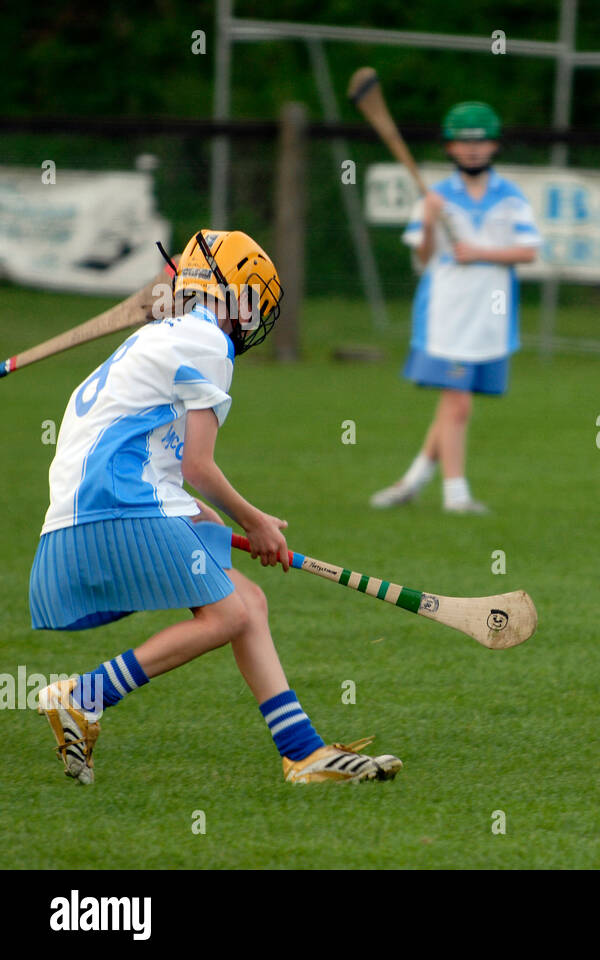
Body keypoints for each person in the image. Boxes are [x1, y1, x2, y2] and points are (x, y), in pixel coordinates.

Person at [31, 229, 402, 785]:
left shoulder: (165, 336)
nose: (256, 316)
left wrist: (207, 518)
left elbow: (152, 456)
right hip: (112, 509)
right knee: (227, 613)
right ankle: (83, 696)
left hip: (87, 514)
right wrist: (255, 521)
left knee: (246, 601)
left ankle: (302, 753)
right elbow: (197, 467)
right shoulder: (208, 344)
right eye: (255, 300)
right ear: (234, 297)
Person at [370, 100, 541, 514]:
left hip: (490, 317)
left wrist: (480, 252)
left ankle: (410, 483)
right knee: (458, 403)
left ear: (494, 145)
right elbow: (422, 259)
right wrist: (429, 221)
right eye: (464, 143)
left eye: (480, 142)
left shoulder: (510, 197)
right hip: (446, 314)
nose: (473, 150)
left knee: (453, 404)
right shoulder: (436, 197)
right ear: (450, 148)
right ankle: (455, 494)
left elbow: (528, 252)